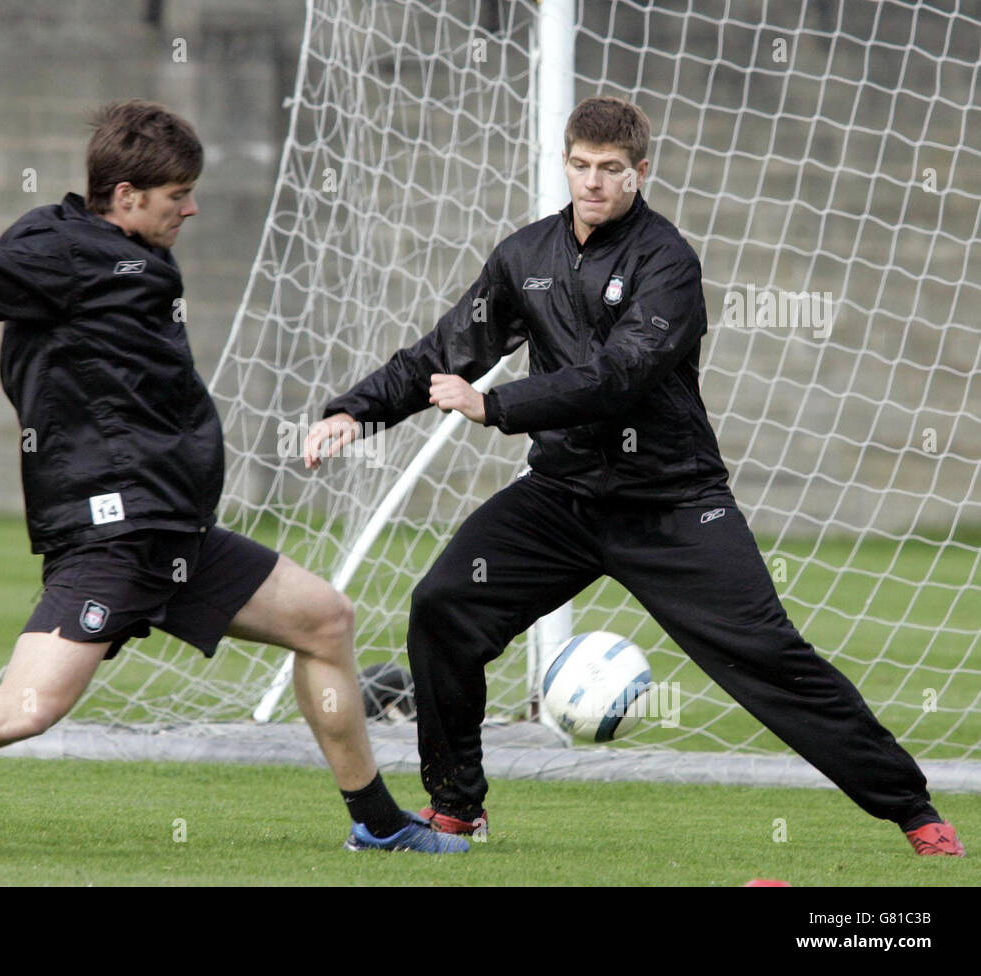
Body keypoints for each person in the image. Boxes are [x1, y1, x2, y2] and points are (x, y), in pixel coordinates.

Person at [0, 100, 467, 854]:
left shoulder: (119, 250)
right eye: (177, 195)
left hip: (172, 532)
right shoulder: (70, 258)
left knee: (325, 620)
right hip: (114, 534)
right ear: (126, 198)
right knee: (24, 705)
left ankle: (377, 824)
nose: (192, 206)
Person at [302, 96, 964, 857]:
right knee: (445, 606)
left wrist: (496, 405)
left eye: (611, 170)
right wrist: (357, 412)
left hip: (672, 505)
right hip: (563, 497)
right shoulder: (525, 257)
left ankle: (914, 812)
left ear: (640, 172)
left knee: (768, 657)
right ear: (566, 164)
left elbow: (620, 374)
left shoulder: (668, 263)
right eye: (580, 166)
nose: (593, 183)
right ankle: (455, 807)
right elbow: (441, 351)